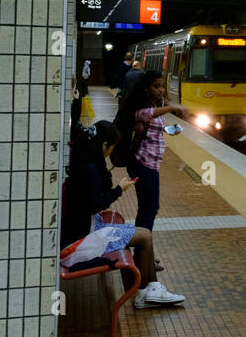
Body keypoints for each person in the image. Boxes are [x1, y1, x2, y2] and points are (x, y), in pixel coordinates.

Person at [62, 120, 184, 309]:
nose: (112, 152)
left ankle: (151, 288)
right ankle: (145, 293)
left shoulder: (84, 160)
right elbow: (95, 204)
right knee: (145, 236)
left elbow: (95, 195)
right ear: (104, 145)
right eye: (112, 148)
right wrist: (120, 189)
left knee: (143, 233)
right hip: (77, 243)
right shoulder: (89, 169)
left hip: (82, 230)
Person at [123, 71, 191, 232]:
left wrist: (169, 129)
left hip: (151, 164)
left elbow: (154, 126)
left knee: (150, 207)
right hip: (142, 163)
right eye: (156, 86)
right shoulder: (140, 107)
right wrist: (172, 106)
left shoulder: (154, 105)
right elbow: (146, 115)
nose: (161, 90)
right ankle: (143, 249)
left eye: (162, 86)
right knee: (149, 207)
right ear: (146, 89)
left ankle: (144, 247)